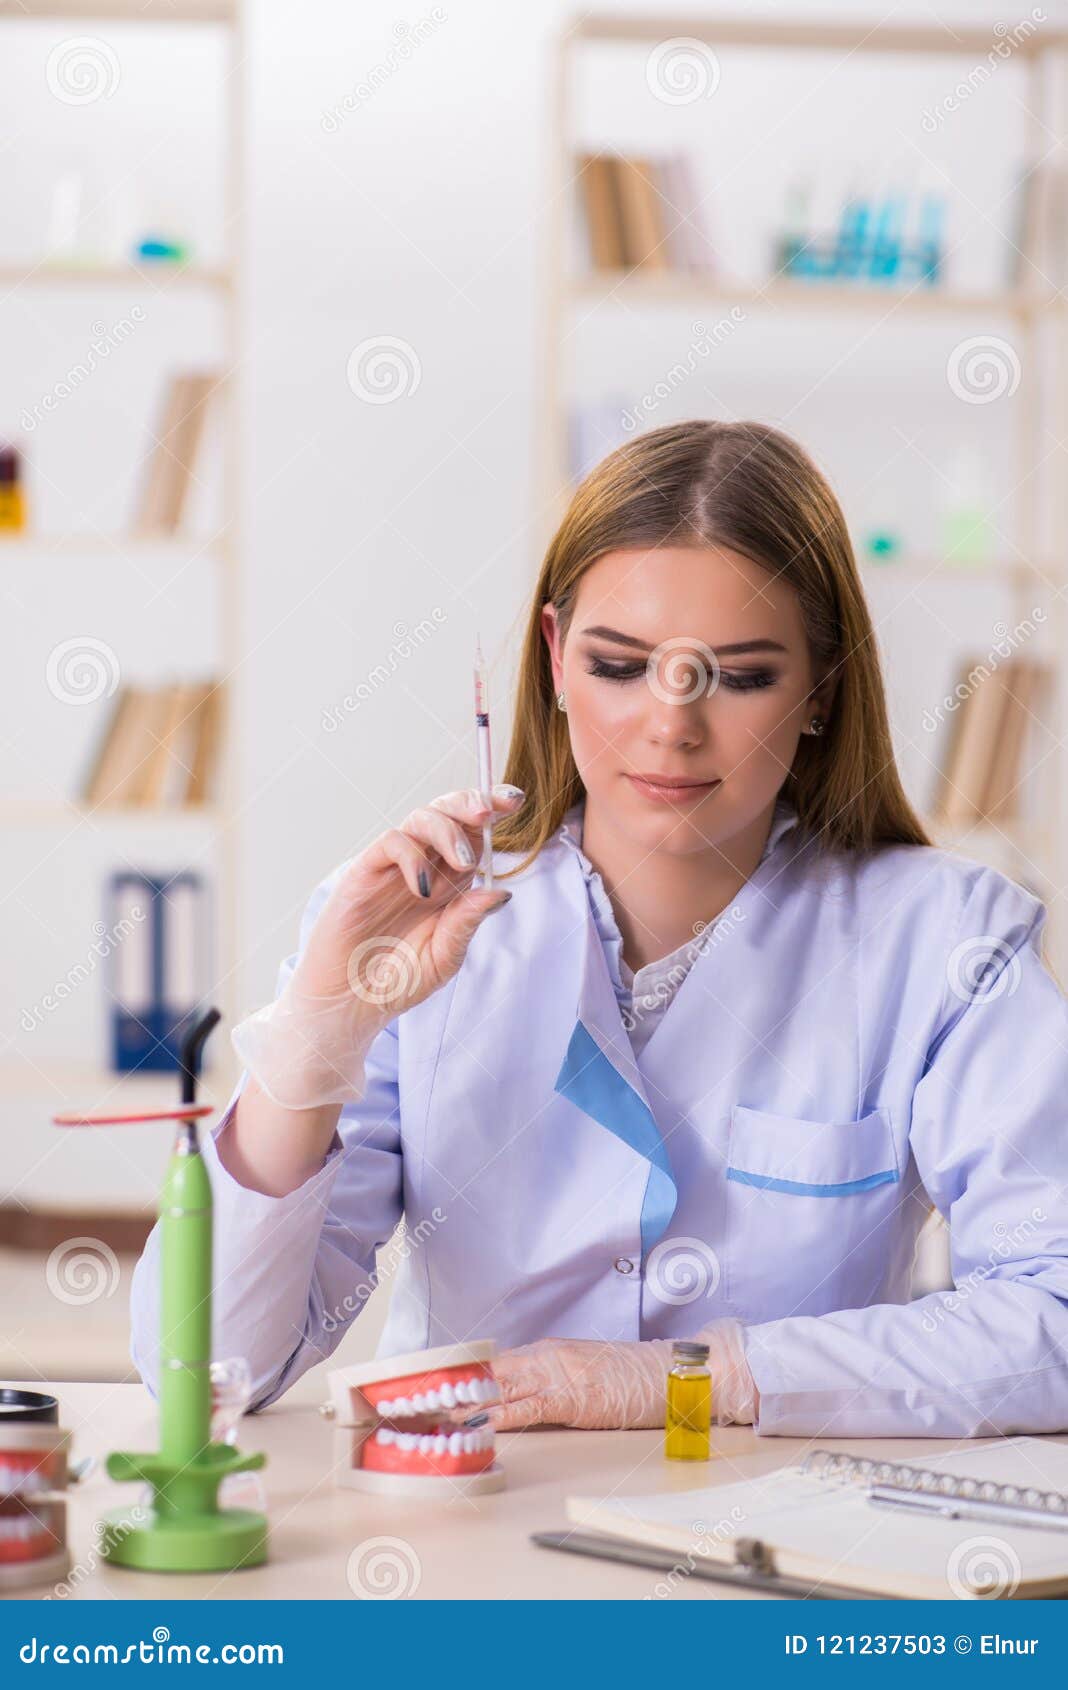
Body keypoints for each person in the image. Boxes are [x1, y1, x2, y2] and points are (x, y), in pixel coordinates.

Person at [130, 419, 1068, 1439]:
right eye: (620, 664)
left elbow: (1053, 1321)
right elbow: (209, 1368)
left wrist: (684, 1380)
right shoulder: (412, 924)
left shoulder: (945, 939)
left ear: (819, 691)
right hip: (464, 1535)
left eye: (743, 674)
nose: (673, 723)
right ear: (556, 659)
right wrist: (314, 1044)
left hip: (772, 1546)